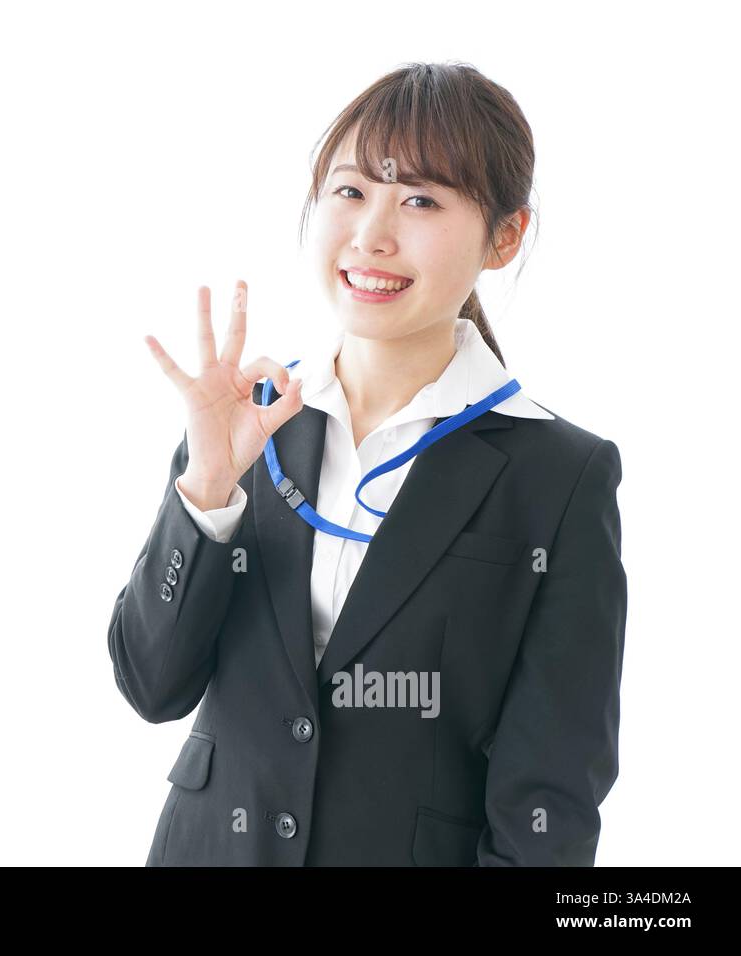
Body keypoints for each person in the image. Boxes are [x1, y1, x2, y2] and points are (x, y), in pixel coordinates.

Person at [107, 61, 626, 866]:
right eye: (350, 192)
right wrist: (207, 489)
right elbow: (151, 685)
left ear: (506, 235)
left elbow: (549, 800)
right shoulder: (247, 418)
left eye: (420, 200)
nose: (371, 235)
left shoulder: (557, 476)